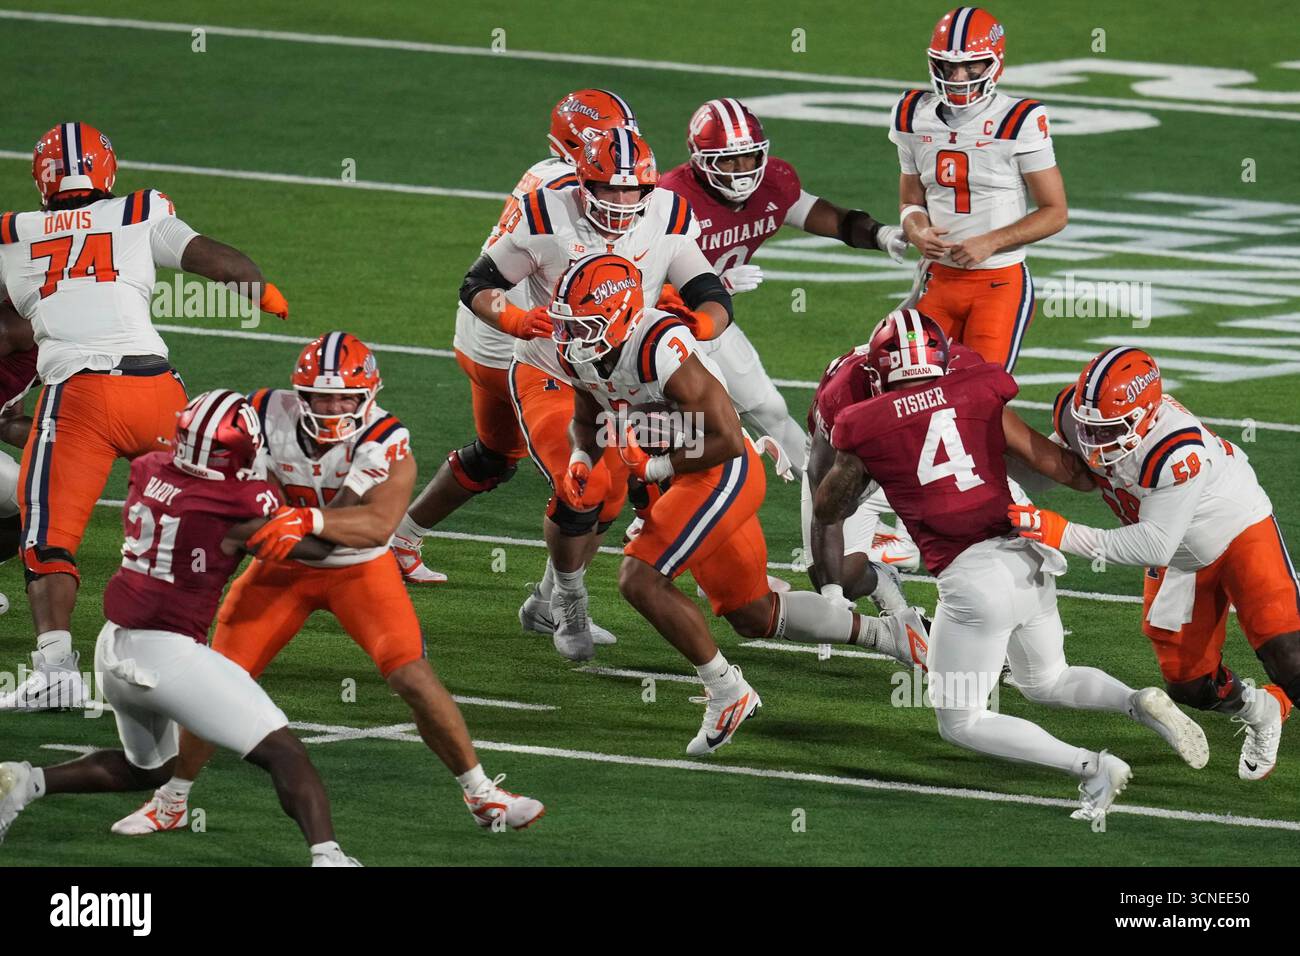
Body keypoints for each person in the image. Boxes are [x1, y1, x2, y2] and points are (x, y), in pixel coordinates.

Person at [112, 333, 544, 836]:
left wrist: (304, 520)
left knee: (412, 676)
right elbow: (218, 469)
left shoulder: (385, 440)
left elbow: (378, 524)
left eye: (344, 397)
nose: (333, 406)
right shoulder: (262, 414)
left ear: (368, 396)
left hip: (360, 570)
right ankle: (171, 801)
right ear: (300, 393)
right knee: (218, 679)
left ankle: (482, 794)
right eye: (320, 395)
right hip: (280, 570)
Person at [817, 311, 1208, 824]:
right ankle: (1137, 700)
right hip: (1028, 554)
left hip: (972, 580)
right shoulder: (977, 387)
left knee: (961, 722)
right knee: (1046, 679)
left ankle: (1092, 767)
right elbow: (1052, 462)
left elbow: (828, 509)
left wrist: (864, 462)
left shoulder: (863, 423)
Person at [550, 254, 928, 754]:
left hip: (718, 471)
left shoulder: (660, 348)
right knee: (753, 615)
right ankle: (893, 636)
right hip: (682, 473)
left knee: (639, 577)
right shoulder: (584, 352)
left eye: (585, 323)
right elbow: (588, 410)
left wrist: (655, 470)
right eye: (570, 323)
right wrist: (582, 455)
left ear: (619, 315)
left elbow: (727, 439)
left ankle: (726, 690)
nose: (573, 335)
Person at [0, 390, 360, 866]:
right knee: (284, 752)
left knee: (148, 770)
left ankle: (24, 783)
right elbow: (319, 552)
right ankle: (329, 857)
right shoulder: (240, 499)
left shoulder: (150, 467)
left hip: (113, 649)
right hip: (168, 656)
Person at [0, 122, 290, 710]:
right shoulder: (139, 210)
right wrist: (262, 290)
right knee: (218, 504)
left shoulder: (11, 233)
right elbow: (216, 258)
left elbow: (10, 327)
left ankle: (55, 670)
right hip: (155, 389)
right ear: (105, 172)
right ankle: (210, 638)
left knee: (48, 532)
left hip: (79, 395)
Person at [456, 127, 735, 659]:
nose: (622, 202)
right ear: (583, 182)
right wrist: (513, 318)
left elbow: (709, 291)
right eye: (609, 189)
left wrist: (702, 326)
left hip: (623, 371)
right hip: (553, 369)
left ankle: (545, 598)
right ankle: (569, 599)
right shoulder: (547, 214)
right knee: (582, 484)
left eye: (633, 191)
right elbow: (477, 285)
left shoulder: (668, 214)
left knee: (615, 494)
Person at [392, 89, 641, 589]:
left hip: (480, 332)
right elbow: (595, 279)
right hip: (527, 340)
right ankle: (562, 600)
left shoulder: (547, 171)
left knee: (494, 456)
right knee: (601, 473)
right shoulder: (572, 193)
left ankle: (399, 539)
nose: (625, 146)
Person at [1011, 347, 1297, 780]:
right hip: (1182, 554)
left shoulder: (1175, 449)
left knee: (1290, 659)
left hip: (1237, 530)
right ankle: (1264, 710)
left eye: (1108, 429)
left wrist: (1061, 533)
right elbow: (1056, 470)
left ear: (1147, 414)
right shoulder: (1080, 417)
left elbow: (1154, 545)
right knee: (1188, 684)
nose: (1093, 441)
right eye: (1089, 427)